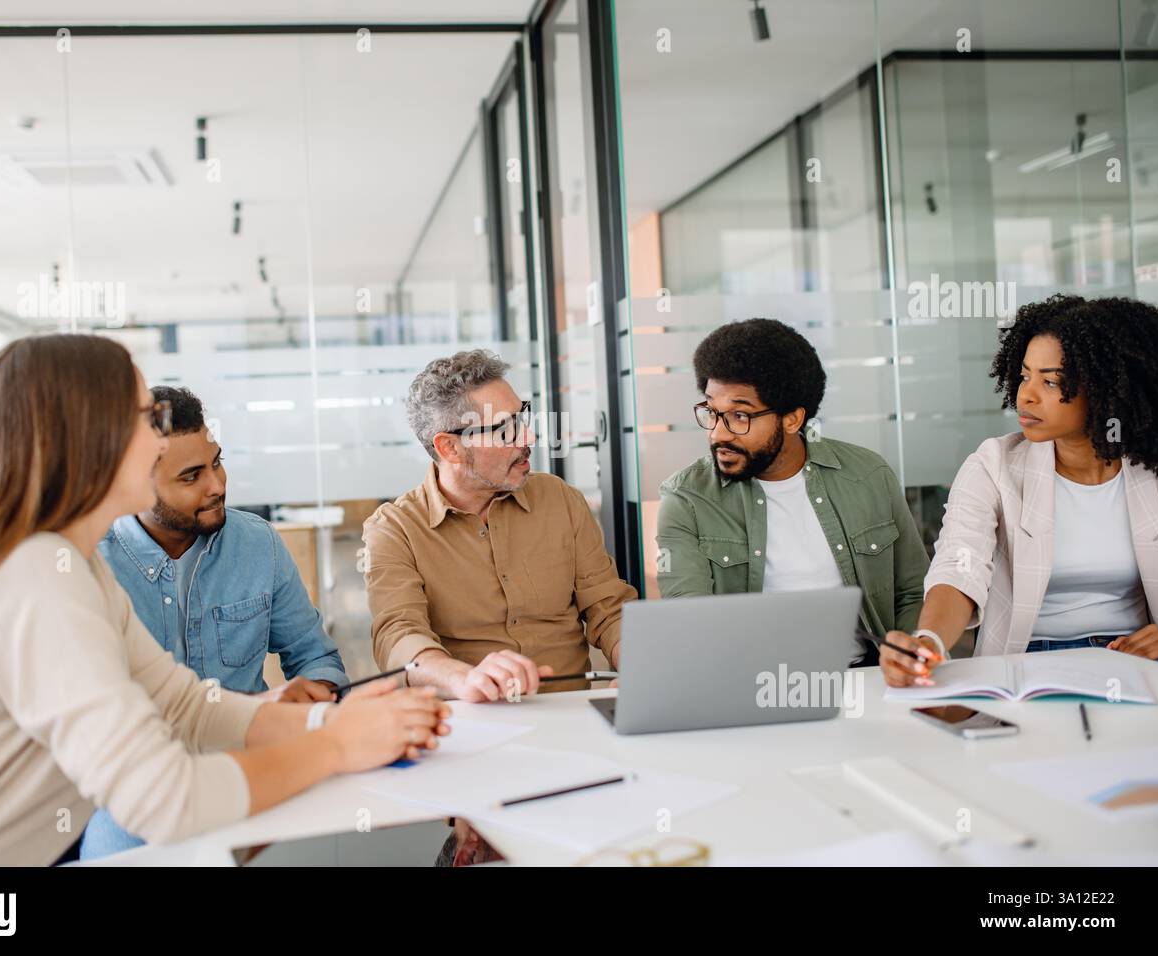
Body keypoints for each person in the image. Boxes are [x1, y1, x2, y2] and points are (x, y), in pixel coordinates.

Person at [0, 334, 448, 866]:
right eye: (148, 417)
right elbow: (166, 800)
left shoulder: (71, 562)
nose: (157, 435)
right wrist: (336, 745)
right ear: (90, 439)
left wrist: (329, 717)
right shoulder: (34, 576)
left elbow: (185, 708)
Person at [80, 384, 347, 859]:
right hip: (139, 780)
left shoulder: (258, 543)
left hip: (249, 758)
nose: (217, 485)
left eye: (217, 463)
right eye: (191, 477)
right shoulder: (87, 566)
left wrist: (315, 691)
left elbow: (315, 655)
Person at [881, 295, 1158, 688]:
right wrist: (928, 641)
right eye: (1025, 375)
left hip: (1136, 662)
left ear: (1106, 390)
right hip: (1028, 663)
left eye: (1050, 382)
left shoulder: (1155, 471)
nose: (1026, 396)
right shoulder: (993, 466)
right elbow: (960, 566)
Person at [362, 349, 637, 702]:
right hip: (470, 718)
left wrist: (635, 662)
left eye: (522, 418)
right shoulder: (394, 530)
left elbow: (607, 607)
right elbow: (398, 636)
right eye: (505, 429)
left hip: (571, 709)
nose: (528, 439)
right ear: (450, 448)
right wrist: (464, 678)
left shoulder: (560, 500)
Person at [656, 318, 928, 664]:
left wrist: (907, 652)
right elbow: (689, 615)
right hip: (750, 684)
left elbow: (912, 591)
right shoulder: (686, 499)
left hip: (866, 678)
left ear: (792, 420)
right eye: (712, 411)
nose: (717, 434)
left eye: (740, 415)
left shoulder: (869, 475)